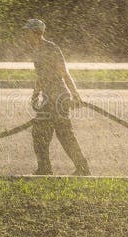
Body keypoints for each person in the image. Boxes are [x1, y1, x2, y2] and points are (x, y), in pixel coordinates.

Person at [23, 18, 91, 176]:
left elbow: (64, 73)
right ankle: (45, 168)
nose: (25, 35)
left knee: (64, 135)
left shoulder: (51, 48)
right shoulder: (36, 50)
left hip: (59, 97)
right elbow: (40, 76)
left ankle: (81, 167)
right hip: (48, 98)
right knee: (40, 133)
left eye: (27, 32)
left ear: (37, 33)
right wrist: (35, 94)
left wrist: (75, 95)